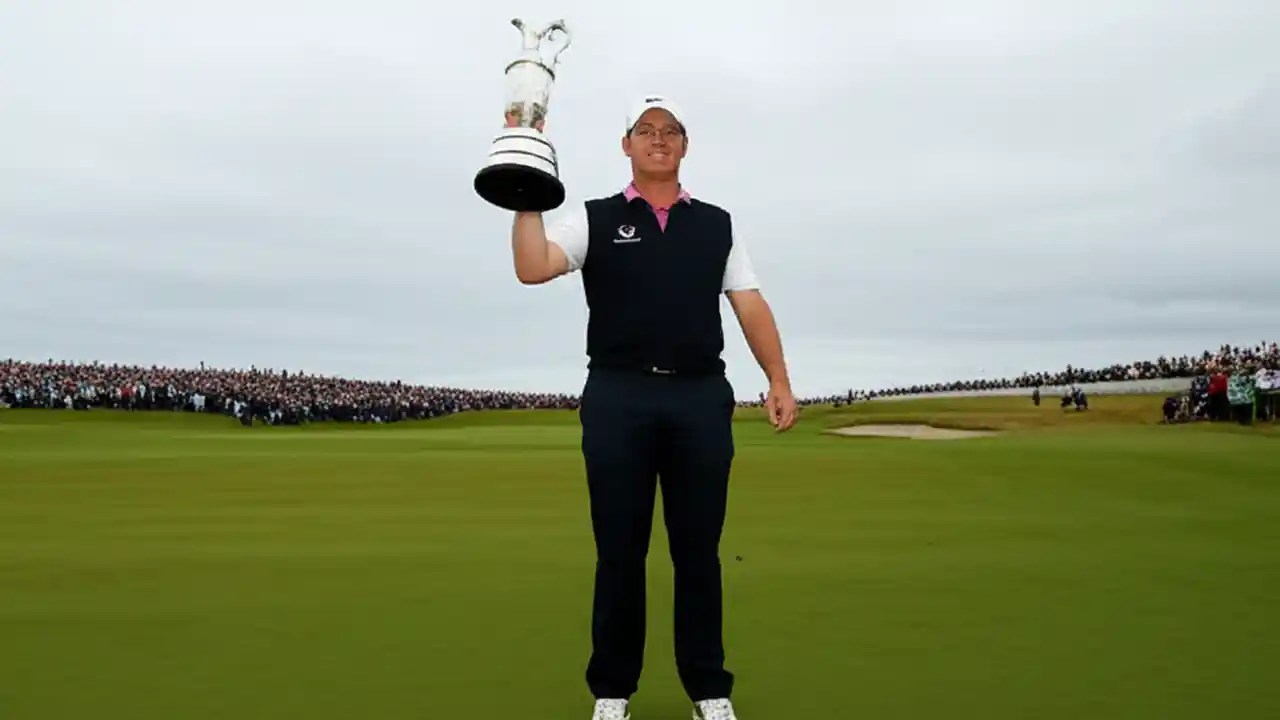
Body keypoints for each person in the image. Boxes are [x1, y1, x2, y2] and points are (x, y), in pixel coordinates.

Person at [509, 94, 798, 720]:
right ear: (628, 146)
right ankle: (612, 692)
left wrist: (777, 377)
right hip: (619, 394)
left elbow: (748, 304)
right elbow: (532, 267)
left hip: (698, 395)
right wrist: (525, 186)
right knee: (620, 549)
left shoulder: (717, 223)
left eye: (671, 132)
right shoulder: (594, 218)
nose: (658, 139)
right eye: (646, 131)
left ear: (685, 147)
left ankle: (708, 690)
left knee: (699, 551)